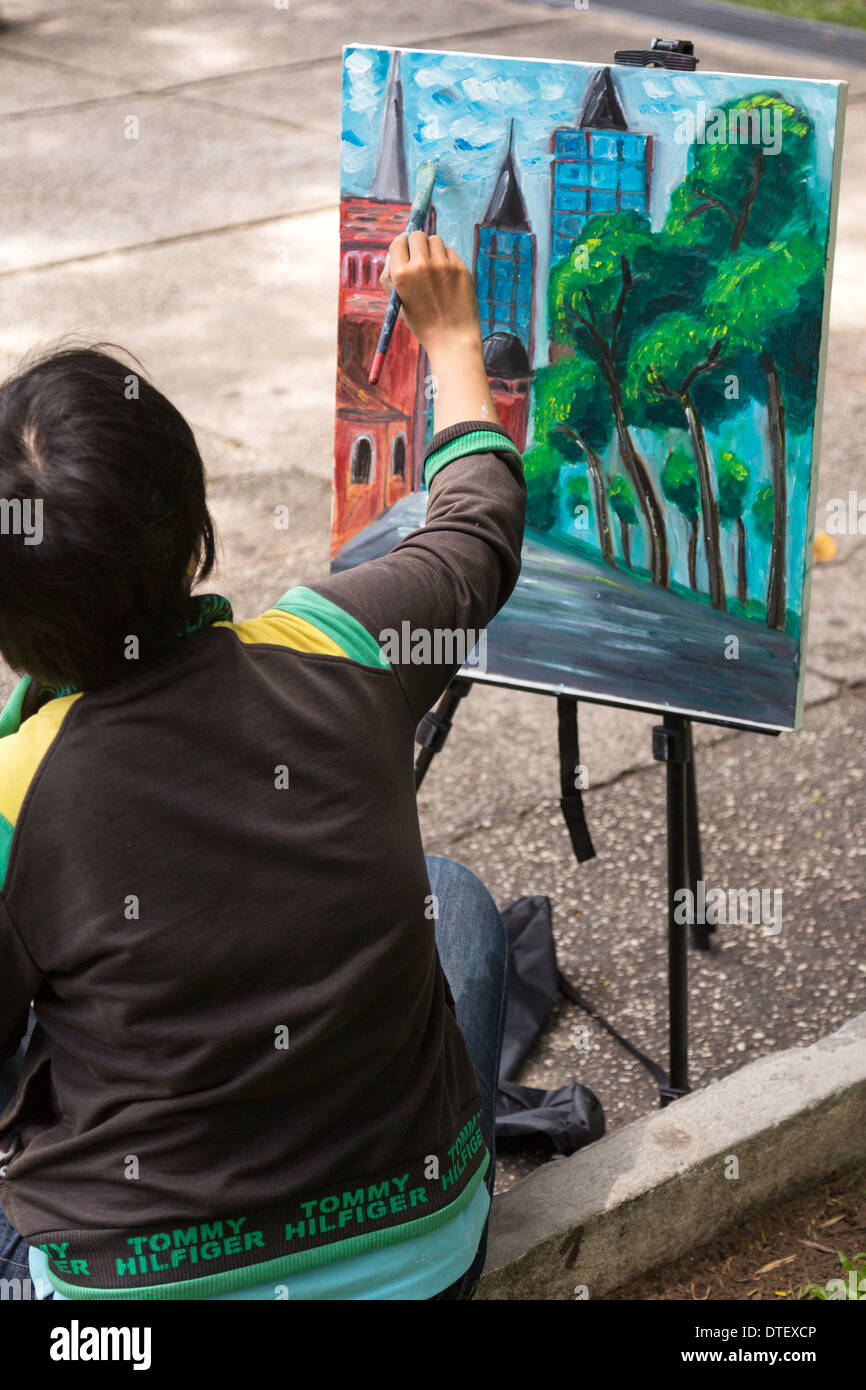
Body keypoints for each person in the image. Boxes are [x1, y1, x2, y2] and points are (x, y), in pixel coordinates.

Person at [0, 228, 526, 1301]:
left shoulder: (18, 794)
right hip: (421, 1264)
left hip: (132, 1300)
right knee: (457, 904)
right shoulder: (342, 645)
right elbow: (476, 530)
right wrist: (454, 340)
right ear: (194, 531)